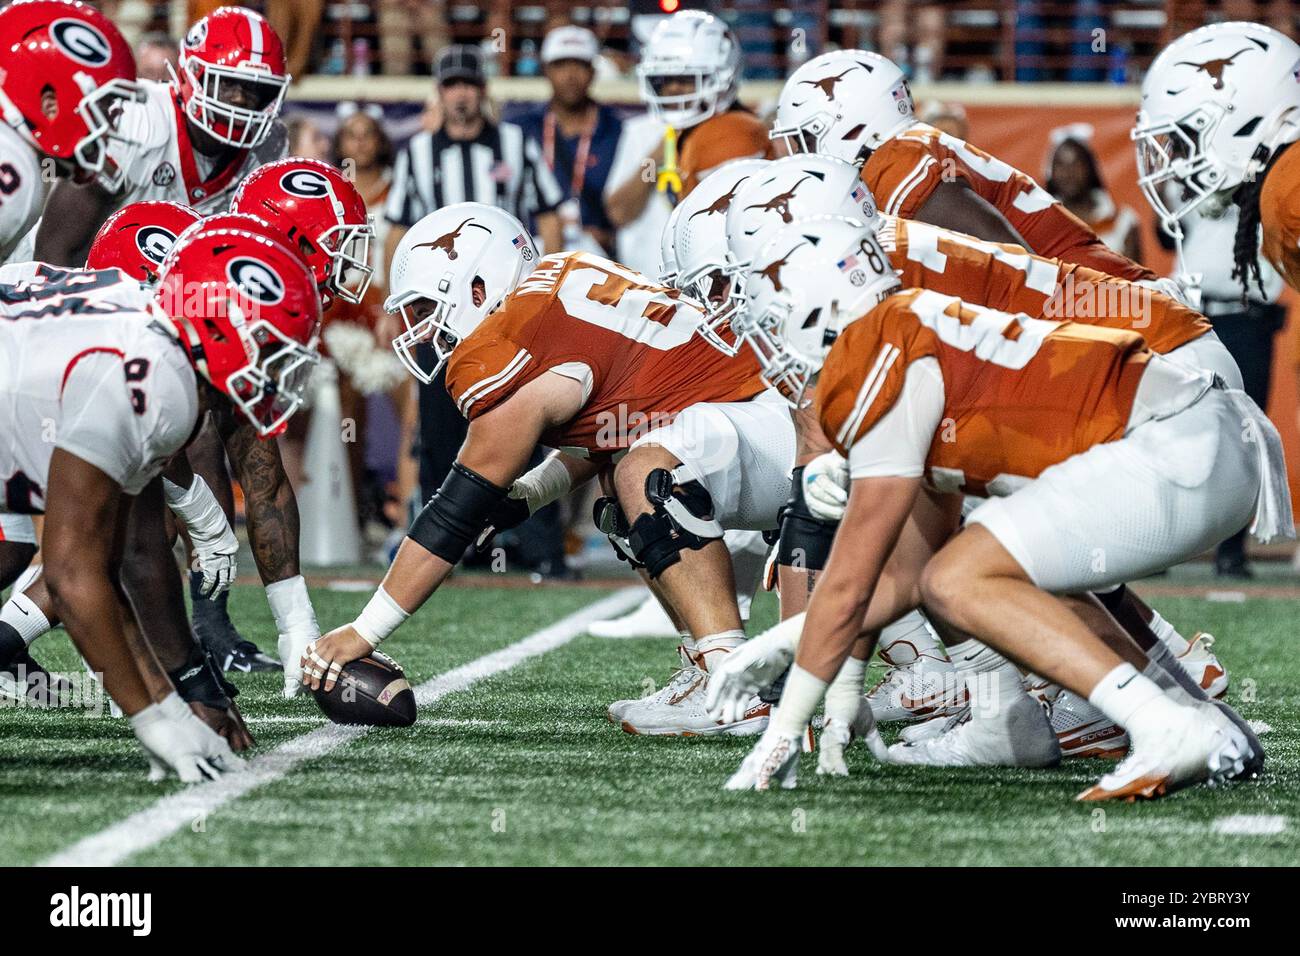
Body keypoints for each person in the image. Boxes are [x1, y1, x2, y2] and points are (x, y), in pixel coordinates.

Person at [718, 216, 1287, 798]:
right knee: (996, 568)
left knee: (963, 577)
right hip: (1206, 438)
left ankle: (1163, 726)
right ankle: (1204, 724)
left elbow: (853, 581)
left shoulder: (876, 351)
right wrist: (794, 639)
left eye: (764, 308)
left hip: (1179, 444)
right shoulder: (903, 328)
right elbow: (906, 573)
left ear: (815, 299)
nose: (760, 334)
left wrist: (784, 727)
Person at [303, 202, 795, 740]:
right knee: (621, 487)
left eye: (426, 306)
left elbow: (450, 516)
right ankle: (710, 667)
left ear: (476, 289)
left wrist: (363, 632)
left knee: (645, 476)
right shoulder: (556, 286)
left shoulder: (513, 337)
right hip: (761, 424)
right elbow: (615, 429)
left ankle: (731, 682)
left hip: (776, 430)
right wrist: (530, 494)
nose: (422, 328)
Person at [0, 224, 321, 780]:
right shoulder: (154, 379)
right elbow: (72, 574)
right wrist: (152, 719)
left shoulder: (152, 336)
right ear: (222, 330)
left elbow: (136, 555)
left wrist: (183, 693)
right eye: (271, 349)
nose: (278, 373)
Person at [384, 43, 566, 580]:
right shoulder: (417, 153)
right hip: (441, 311)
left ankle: (536, 543)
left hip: (511, 305)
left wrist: (548, 284)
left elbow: (550, 216)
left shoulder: (516, 143)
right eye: (452, 84)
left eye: (470, 83)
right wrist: (396, 307)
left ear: (483, 90)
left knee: (527, 418)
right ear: (439, 93)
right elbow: (397, 229)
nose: (462, 94)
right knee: (441, 427)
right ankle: (453, 544)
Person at [1134, 20, 1300, 576]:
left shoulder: (1289, 195)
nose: (1175, 156)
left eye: (1186, 135)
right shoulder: (1280, 186)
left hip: (1246, 318)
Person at [772, 50, 1158, 284]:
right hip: (1109, 307)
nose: (799, 156)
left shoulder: (898, 165)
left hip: (1122, 314)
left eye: (807, 137)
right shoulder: (905, 153)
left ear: (854, 127)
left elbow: (1021, 272)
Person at [514, 26, 624, 258]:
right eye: (560, 65)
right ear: (546, 70)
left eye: (579, 64)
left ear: (593, 71)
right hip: (531, 249)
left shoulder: (617, 130)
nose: (570, 75)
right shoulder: (522, 128)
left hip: (597, 255)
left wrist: (611, 235)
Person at [1045, 124, 1143, 265]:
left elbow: (1137, 284)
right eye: (1061, 165)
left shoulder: (1123, 220)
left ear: (1091, 168)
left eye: (1076, 164)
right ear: (1050, 173)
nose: (1068, 173)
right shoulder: (1040, 223)